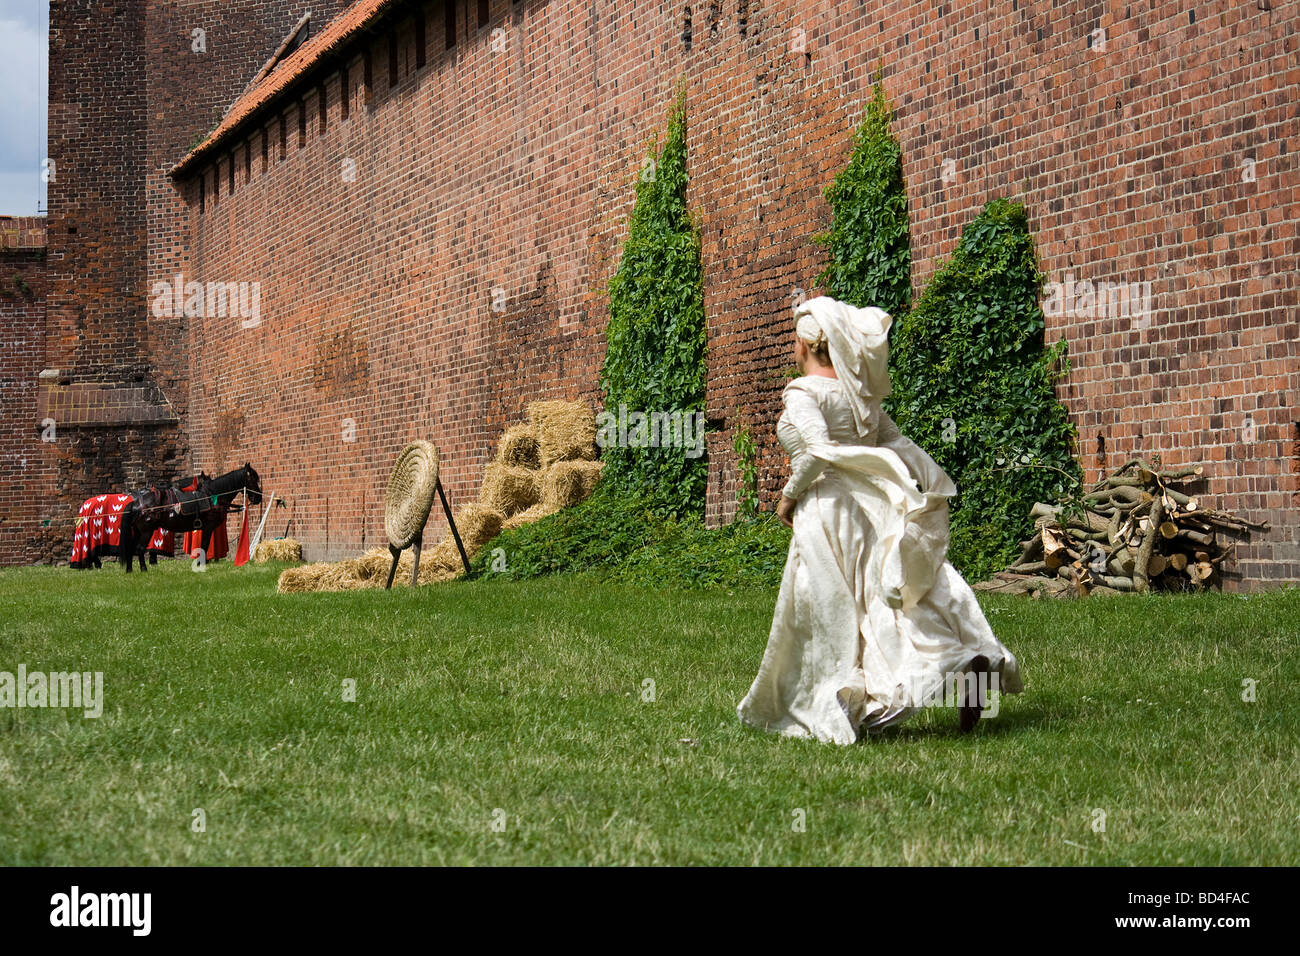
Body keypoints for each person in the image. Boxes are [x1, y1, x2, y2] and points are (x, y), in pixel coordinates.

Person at [737, 296, 1023, 744]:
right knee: (884, 603)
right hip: (873, 510)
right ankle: (959, 660)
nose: (792, 348)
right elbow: (896, 444)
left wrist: (787, 499)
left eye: (795, 340)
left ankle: (839, 697)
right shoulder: (861, 398)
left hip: (829, 511)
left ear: (809, 345)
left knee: (829, 608)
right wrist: (922, 483)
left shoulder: (802, 392)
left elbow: (815, 452)